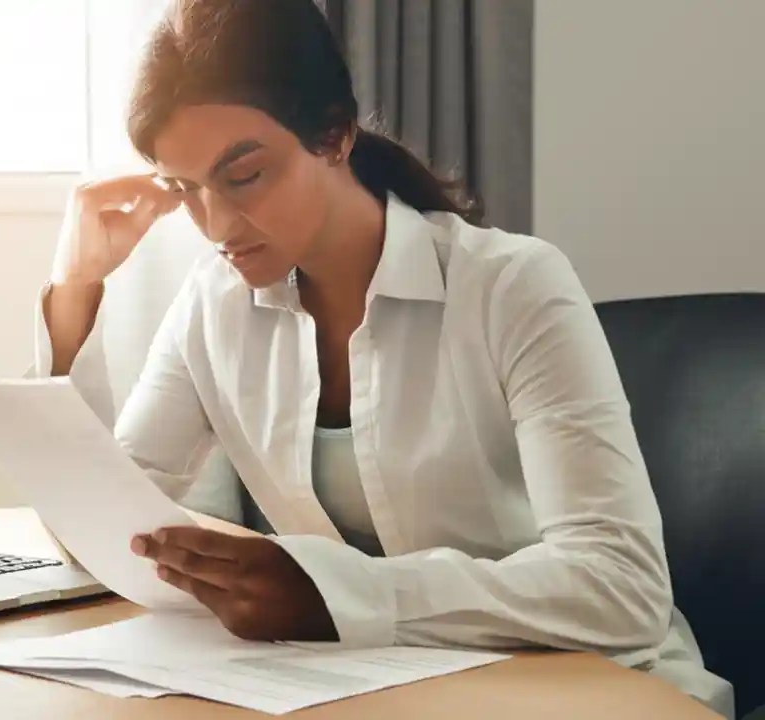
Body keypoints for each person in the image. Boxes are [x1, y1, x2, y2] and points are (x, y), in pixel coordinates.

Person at [35, 0, 730, 714]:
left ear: (333, 135)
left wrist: (332, 594)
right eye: (184, 190)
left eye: (243, 177)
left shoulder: (512, 286)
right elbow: (104, 533)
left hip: (598, 688)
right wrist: (75, 290)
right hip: (391, 691)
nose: (214, 225)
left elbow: (621, 589)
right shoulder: (215, 304)